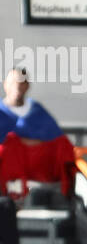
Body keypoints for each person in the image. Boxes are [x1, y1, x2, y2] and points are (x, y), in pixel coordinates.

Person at [0, 67, 77, 199]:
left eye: (21, 83)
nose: (17, 87)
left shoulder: (37, 110)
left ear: (27, 85)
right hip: (10, 171)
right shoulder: (2, 112)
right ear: (5, 84)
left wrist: (28, 144)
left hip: (40, 167)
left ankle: (65, 194)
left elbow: (56, 137)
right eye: (13, 83)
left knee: (63, 146)